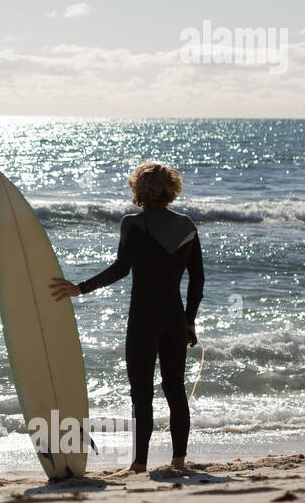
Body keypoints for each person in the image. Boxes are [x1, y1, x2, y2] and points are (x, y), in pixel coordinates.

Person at [49, 162, 203, 474]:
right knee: (175, 388)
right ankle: (178, 461)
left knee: (141, 392)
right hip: (174, 317)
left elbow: (122, 267)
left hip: (145, 318)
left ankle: (139, 464)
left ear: (138, 189)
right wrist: (189, 321)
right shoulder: (187, 225)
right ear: (171, 188)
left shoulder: (134, 222)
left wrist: (81, 288)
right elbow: (197, 278)